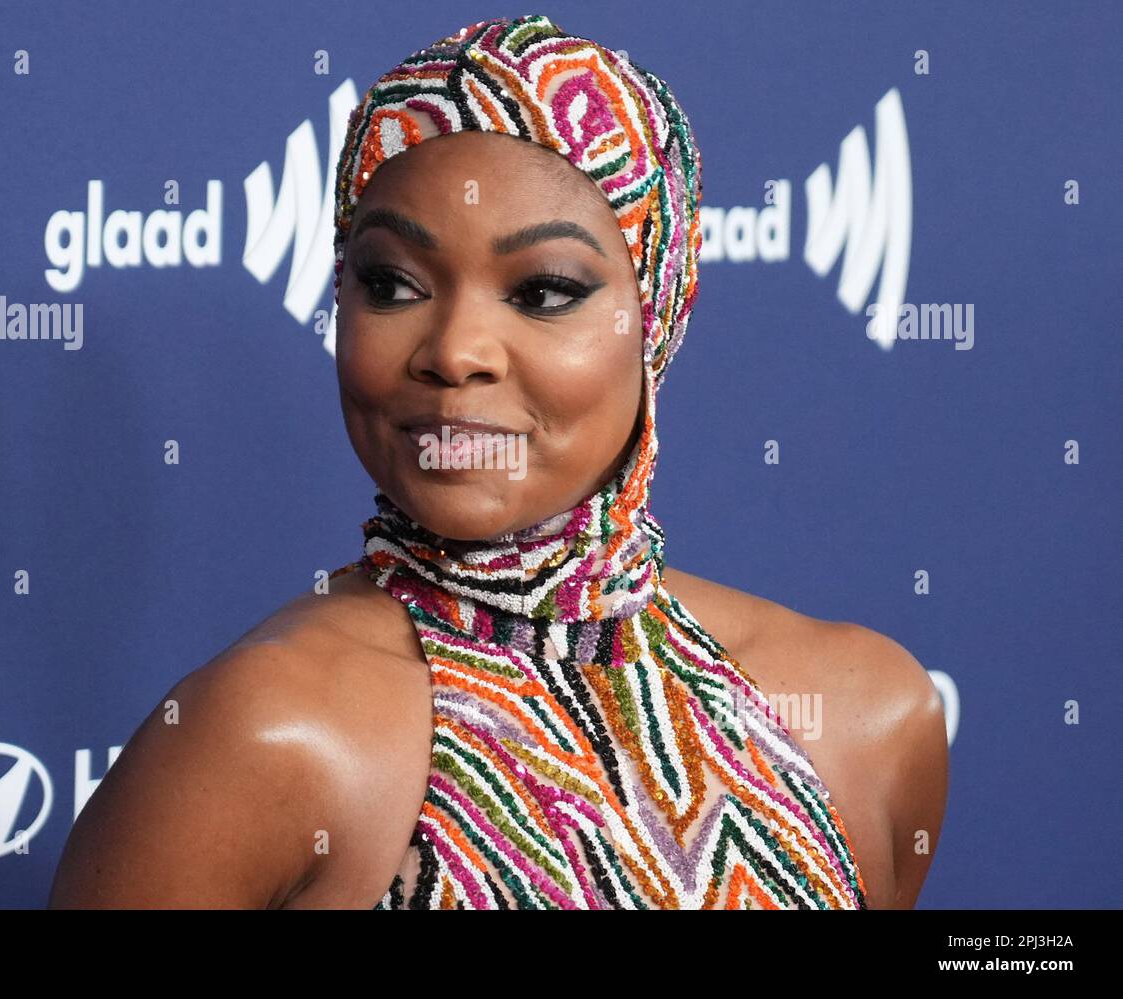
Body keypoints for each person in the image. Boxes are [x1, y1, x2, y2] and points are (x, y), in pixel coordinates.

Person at [48, 14, 948, 910]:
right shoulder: (258, 736)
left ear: (659, 312)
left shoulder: (867, 716)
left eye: (543, 291)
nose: (456, 350)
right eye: (393, 283)